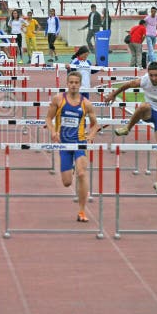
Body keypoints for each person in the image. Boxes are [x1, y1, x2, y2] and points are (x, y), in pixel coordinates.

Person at [105, 62, 157, 196]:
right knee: (143, 106)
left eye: (156, 75)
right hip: (148, 111)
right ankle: (127, 128)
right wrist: (113, 94)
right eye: (151, 75)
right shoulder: (145, 80)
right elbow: (126, 85)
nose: (153, 78)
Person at [45, 70, 100, 223]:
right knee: (67, 182)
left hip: (80, 143)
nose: (74, 85)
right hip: (64, 144)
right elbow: (48, 118)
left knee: (82, 174)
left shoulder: (86, 104)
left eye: (76, 83)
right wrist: (53, 131)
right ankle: (73, 167)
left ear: (80, 84)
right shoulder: (58, 100)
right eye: (71, 82)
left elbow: (95, 124)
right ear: (67, 84)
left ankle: (82, 211)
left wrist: (91, 136)